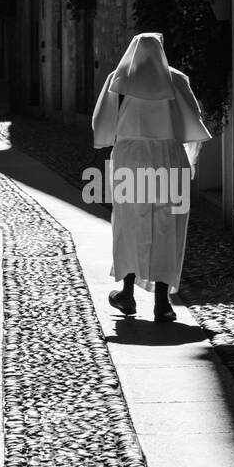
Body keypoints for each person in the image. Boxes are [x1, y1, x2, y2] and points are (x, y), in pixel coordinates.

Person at [92, 32, 212, 321]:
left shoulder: (118, 80)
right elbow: (192, 119)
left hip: (130, 158)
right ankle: (162, 303)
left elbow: (102, 124)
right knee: (167, 226)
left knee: (129, 222)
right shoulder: (176, 79)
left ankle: (127, 293)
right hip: (168, 157)